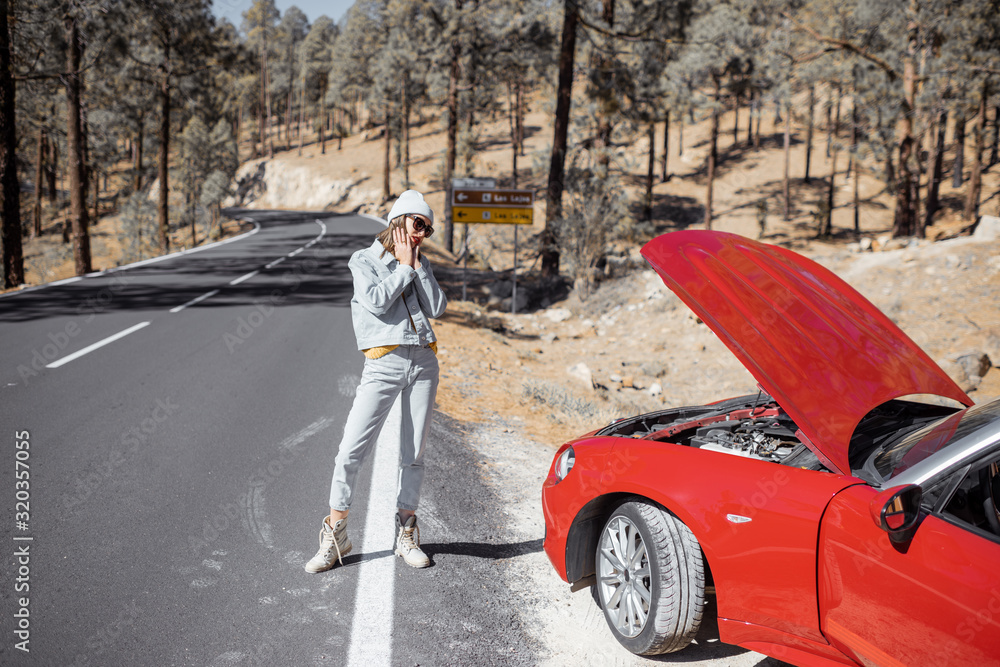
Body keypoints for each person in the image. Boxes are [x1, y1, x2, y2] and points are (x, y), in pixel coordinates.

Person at [305, 190, 447, 573]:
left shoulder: (420, 262)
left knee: (413, 453)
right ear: (399, 220)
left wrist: (415, 267)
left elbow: (437, 307)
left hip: (423, 360)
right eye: (418, 224)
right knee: (351, 449)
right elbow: (376, 301)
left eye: (428, 229)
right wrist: (402, 267)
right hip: (383, 362)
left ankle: (406, 533)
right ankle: (336, 537)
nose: (422, 234)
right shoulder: (363, 260)